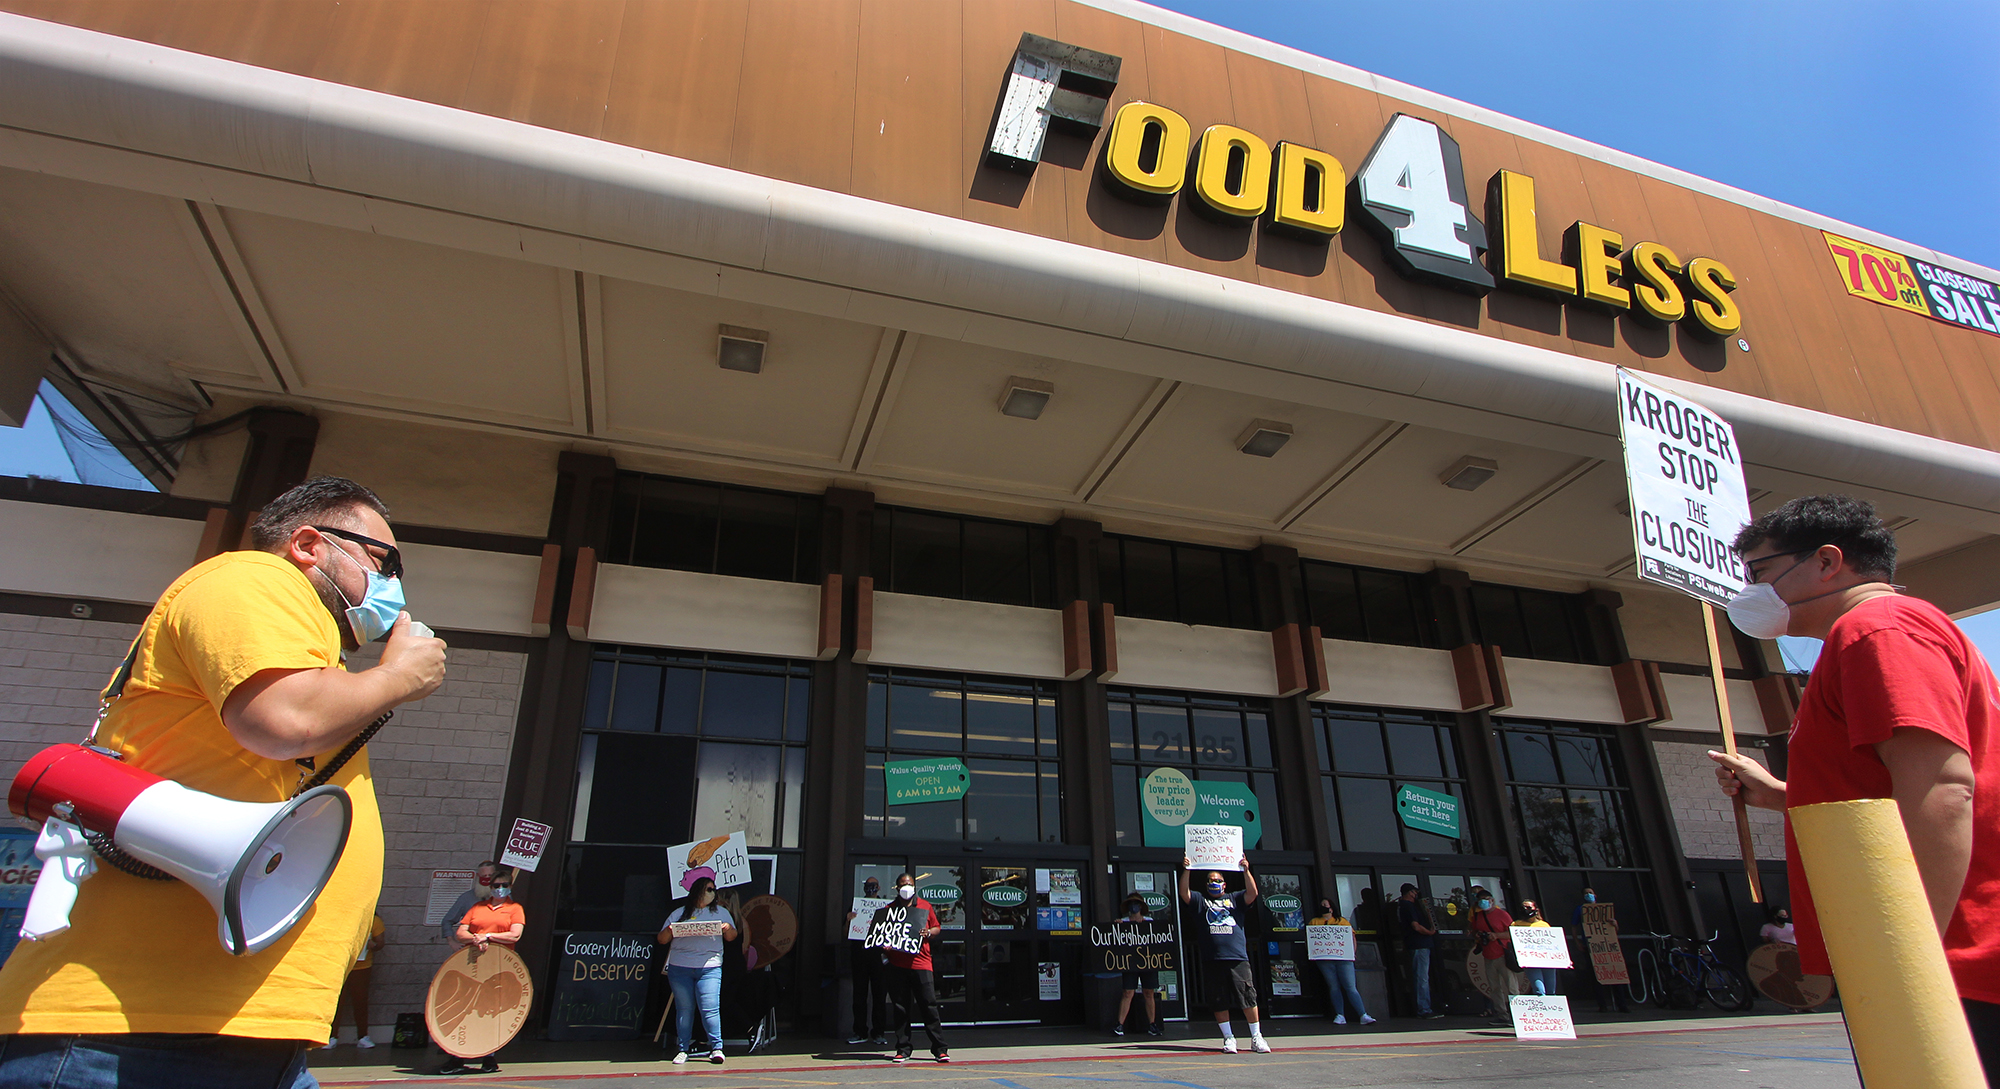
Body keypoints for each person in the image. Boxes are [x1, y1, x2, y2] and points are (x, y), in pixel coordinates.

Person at [0, 476, 446, 1088]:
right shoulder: (254, 579)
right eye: (383, 560)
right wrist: (401, 675)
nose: (392, 584)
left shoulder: (317, 649)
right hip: (137, 1033)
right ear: (310, 544)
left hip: (239, 1030)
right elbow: (286, 718)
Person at [1709, 495, 1997, 1083]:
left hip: (1956, 956)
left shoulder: (1877, 630)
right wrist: (1779, 795)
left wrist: (1909, 958)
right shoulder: (1873, 636)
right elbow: (1889, 792)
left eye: (1759, 572)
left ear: (1827, 561)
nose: (1751, 591)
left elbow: (1944, 789)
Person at [1178, 856, 1269, 1053]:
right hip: (1213, 959)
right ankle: (1229, 1038)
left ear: (1224, 884)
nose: (1214, 883)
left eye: (1217, 880)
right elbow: (1184, 893)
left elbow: (1252, 893)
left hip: (1237, 958)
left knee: (1247, 996)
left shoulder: (1235, 899)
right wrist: (1187, 869)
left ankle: (1256, 1037)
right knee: (1218, 999)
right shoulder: (1201, 902)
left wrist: (1246, 870)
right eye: (1210, 880)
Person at [436, 874, 526, 1075]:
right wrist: (476, 939)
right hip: (474, 963)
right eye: (496, 885)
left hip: (500, 965)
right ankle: (457, 1056)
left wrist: (488, 935)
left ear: (510, 887)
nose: (500, 889)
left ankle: (489, 1057)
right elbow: (461, 933)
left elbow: (515, 934)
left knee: (493, 1010)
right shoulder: (477, 908)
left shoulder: (515, 909)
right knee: (467, 1009)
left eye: (504, 885)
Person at [659, 875, 737, 1066]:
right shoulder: (679, 914)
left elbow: (733, 936)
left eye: (713, 890)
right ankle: (683, 1049)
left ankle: (717, 1047)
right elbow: (661, 939)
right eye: (708, 889)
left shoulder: (721, 913)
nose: (712, 893)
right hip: (680, 968)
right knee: (684, 1009)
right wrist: (669, 930)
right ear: (698, 892)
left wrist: (727, 929)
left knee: (710, 1007)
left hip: (710, 968)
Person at [879, 874, 947, 1064]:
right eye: (903, 885)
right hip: (897, 965)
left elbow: (936, 927)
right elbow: (883, 935)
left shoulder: (924, 906)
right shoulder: (889, 910)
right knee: (900, 1008)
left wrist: (929, 933)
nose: (906, 887)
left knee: (929, 1005)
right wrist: (885, 946)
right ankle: (903, 1048)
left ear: (914, 886)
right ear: (897, 888)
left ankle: (940, 1048)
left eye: (909, 884)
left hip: (921, 964)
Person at [1307, 898, 1373, 1026]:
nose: (1323, 907)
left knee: (1350, 987)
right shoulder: (1314, 922)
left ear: (1331, 908)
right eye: (1321, 905)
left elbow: (1351, 937)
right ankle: (1340, 1014)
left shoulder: (1341, 921)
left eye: (1325, 905)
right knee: (1334, 987)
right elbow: (1310, 941)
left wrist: (1352, 953)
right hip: (1325, 961)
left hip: (1344, 960)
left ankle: (1362, 1014)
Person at [329, 913, 387, 1048]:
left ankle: (363, 1036)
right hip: (341, 966)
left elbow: (380, 943)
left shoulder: (374, 920)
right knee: (336, 1002)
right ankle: (331, 1036)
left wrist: (373, 945)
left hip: (362, 966)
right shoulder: (343, 917)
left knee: (360, 1001)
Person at [845, 876, 889, 1046]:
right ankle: (859, 1031)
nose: (871, 888)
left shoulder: (885, 908)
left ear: (879, 888)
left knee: (879, 995)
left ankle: (878, 1032)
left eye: (873, 885)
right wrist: (849, 921)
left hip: (879, 957)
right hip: (860, 956)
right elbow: (845, 933)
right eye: (868, 885)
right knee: (859, 996)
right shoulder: (856, 907)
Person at [1569, 888, 1628, 1013]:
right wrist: (1577, 942)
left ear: (1595, 895)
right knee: (1597, 977)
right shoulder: (1581, 910)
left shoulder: (1604, 910)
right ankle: (1602, 1005)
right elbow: (1574, 926)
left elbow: (1613, 930)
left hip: (1608, 947)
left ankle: (1621, 1004)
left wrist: (1615, 924)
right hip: (1591, 947)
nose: (1588, 895)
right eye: (1586, 893)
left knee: (1616, 975)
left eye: (1590, 893)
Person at [1112, 895, 1164, 1036]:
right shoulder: (1122, 922)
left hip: (1147, 961)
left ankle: (1152, 1024)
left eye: (1136, 904)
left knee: (1149, 992)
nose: (1133, 906)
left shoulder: (1149, 922)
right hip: (1130, 962)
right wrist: (1117, 927)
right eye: (1131, 904)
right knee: (1128, 992)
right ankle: (1119, 1024)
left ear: (1141, 907)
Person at [1394, 884, 1441, 1019]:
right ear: (1409, 893)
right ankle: (1424, 1009)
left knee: (1419, 976)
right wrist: (1429, 932)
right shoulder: (1408, 906)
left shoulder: (1401, 906)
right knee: (1422, 978)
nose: (1416, 895)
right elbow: (1415, 926)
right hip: (1419, 944)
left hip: (1414, 944)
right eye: (1414, 892)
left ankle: (1422, 1007)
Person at [1470, 891, 1518, 1024]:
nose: (1483, 902)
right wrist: (1479, 936)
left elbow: (1513, 933)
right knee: (1494, 987)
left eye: (1485, 899)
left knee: (1511, 986)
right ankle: (1502, 1015)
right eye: (1480, 900)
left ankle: (1518, 1015)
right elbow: (1474, 931)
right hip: (1488, 955)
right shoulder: (1478, 916)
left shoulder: (1502, 914)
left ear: (1492, 900)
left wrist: (1496, 935)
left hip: (1503, 954)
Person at [440, 860, 502, 947]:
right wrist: (451, 942)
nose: (487, 878)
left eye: (490, 875)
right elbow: (447, 921)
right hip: (472, 948)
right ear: (478, 876)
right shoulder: (466, 898)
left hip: (497, 948)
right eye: (484, 876)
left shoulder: (505, 898)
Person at [1513, 900, 1557, 998]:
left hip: (1547, 960)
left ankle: (1552, 1010)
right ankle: (1542, 1009)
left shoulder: (1544, 925)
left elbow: (1554, 945)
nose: (1526, 910)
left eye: (1529, 908)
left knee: (1551, 990)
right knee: (1539, 989)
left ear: (1536, 909)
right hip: (1530, 960)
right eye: (1523, 908)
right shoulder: (1516, 925)